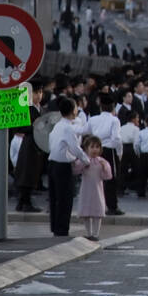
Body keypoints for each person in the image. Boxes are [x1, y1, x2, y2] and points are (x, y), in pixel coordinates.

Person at [47, 98, 89, 237]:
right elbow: (75, 148)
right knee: (65, 199)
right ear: (73, 110)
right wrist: (86, 160)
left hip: (52, 163)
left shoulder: (58, 125)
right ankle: (62, 229)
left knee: (55, 198)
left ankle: (55, 227)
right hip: (63, 166)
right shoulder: (68, 128)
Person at [74, 134, 112, 241]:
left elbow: (107, 176)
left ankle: (96, 234)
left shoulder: (102, 161)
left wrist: (105, 168)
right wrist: (83, 164)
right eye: (92, 147)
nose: (95, 150)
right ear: (86, 149)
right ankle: (89, 233)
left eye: (97, 147)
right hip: (86, 189)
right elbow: (76, 170)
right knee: (86, 213)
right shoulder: (84, 160)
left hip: (97, 190)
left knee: (97, 213)